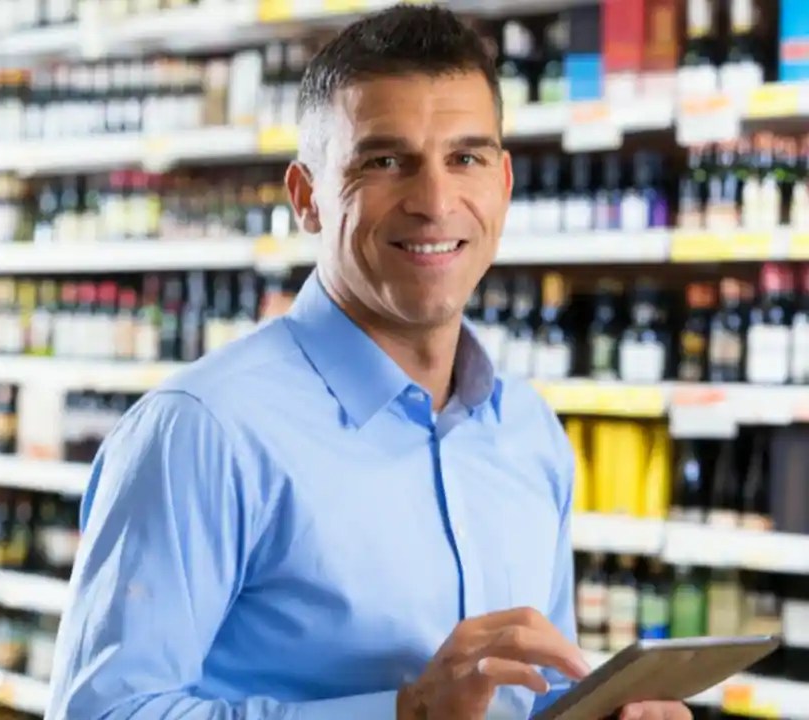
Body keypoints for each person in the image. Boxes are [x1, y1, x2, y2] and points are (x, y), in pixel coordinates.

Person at [45, 6, 690, 720]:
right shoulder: (203, 433)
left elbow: (527, 699)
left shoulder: (529, 434)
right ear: (307, 198)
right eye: (385, 162)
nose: (435, 202)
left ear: (504, 185)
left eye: (465, 158)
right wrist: (402, 714)